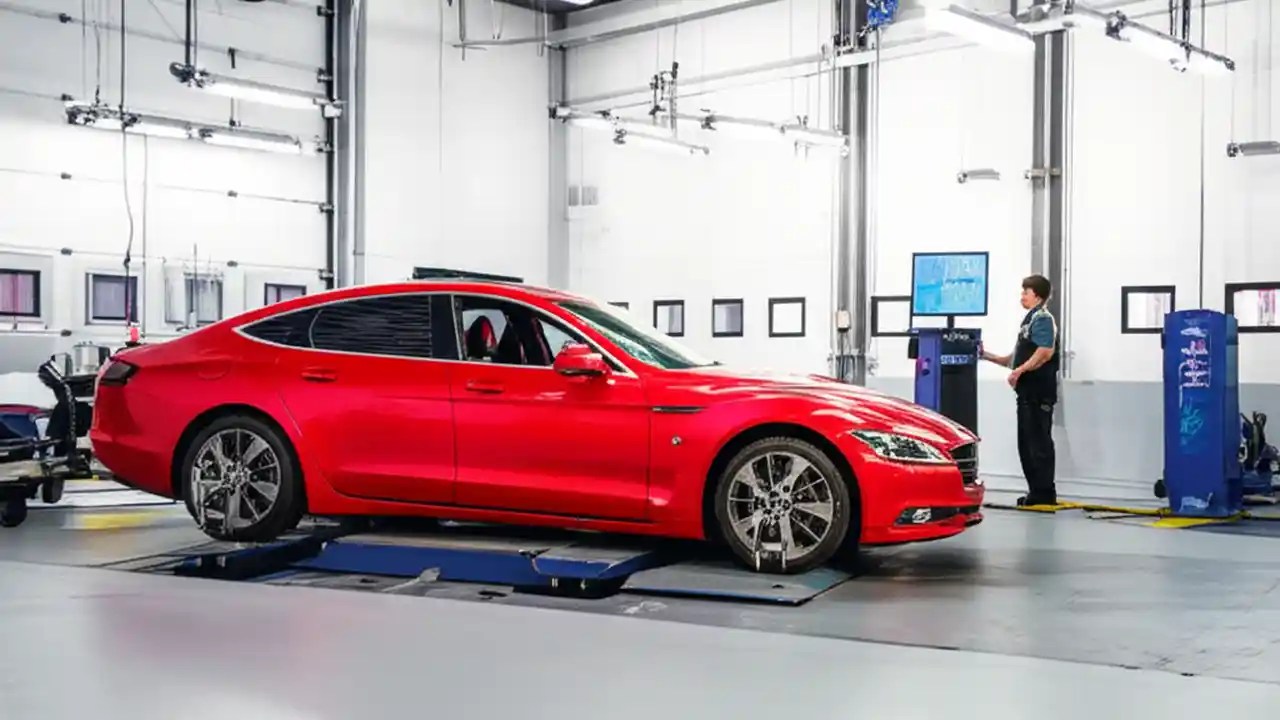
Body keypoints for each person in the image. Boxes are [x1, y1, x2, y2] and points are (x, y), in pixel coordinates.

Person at [980, 274, 1061, 506]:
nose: (1022, 296)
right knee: (1026, 445)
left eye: (1026, 292)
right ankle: (1035, 493)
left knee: (1038, 444)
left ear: (1037, 295)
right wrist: (986, 356)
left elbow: (1045, 351)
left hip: (1038, 394)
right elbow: (1013, 359)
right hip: (1026, 395)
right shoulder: (1029, 321)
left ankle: (1044, 494)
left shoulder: (1043, 319)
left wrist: (1019, 372)